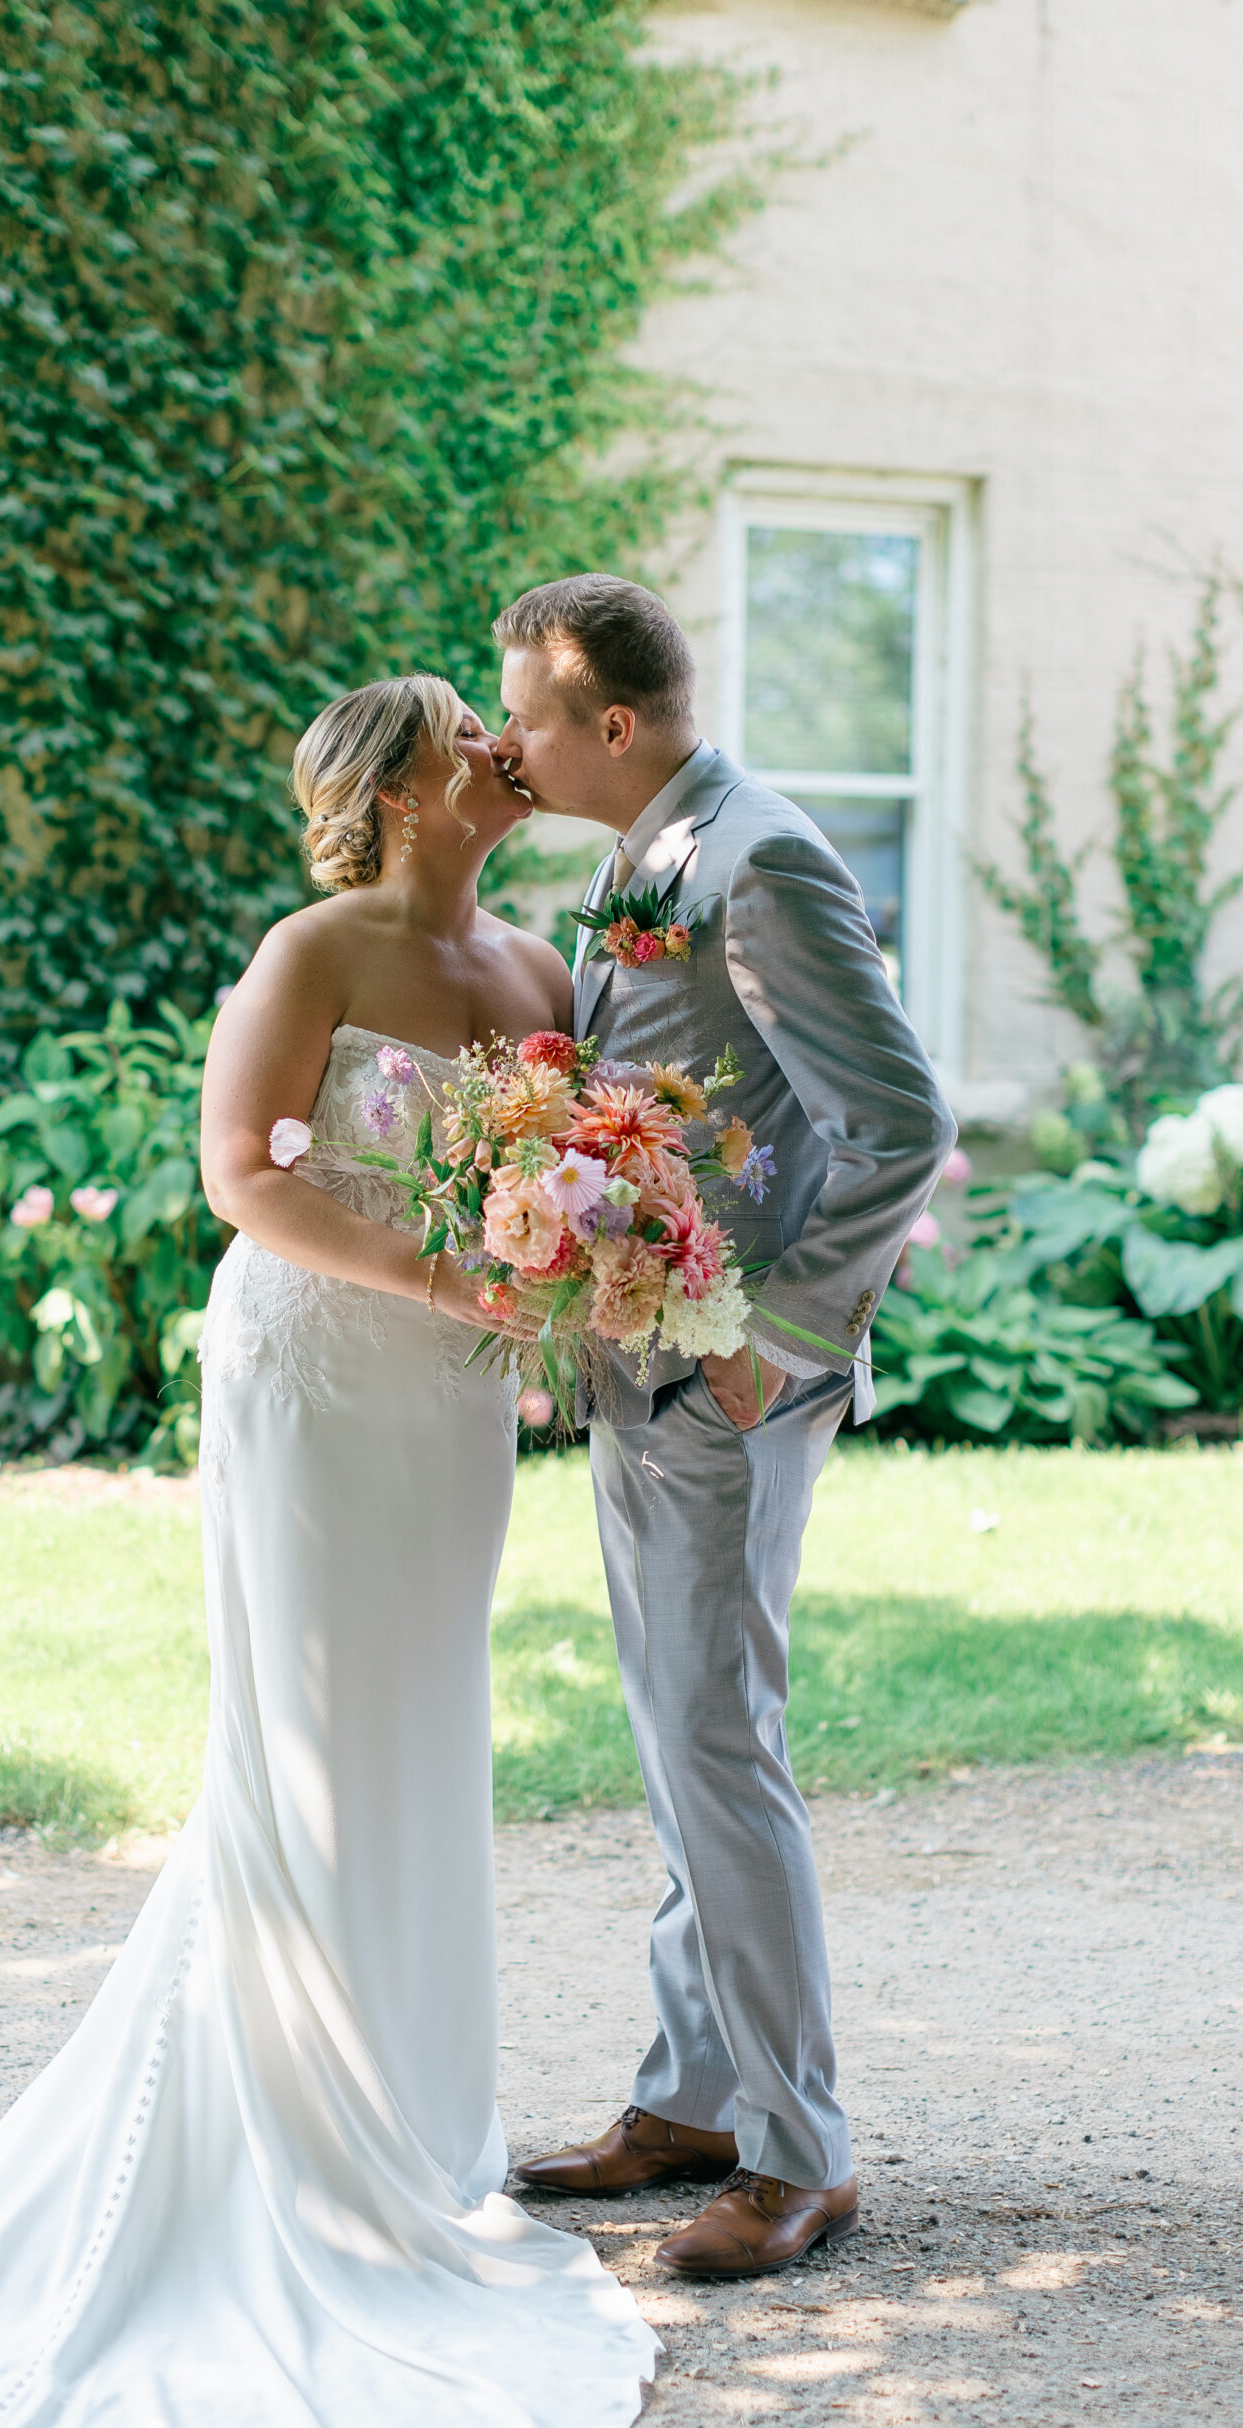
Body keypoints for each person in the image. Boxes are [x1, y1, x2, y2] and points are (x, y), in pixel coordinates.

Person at [0, 674, 656, 2428]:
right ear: (400, 784)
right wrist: (452, 1286)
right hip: (325, 1371)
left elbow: (564, 1167)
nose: (500, 747)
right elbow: (241, 1181)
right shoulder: (310, 948)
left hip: (451, 1404)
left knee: (424, 1727)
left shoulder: (540, 973)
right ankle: (277, 2139)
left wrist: (576, 1253)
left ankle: (411, 2139)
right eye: (463, 730)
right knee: (310, 1739)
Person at [495, 575, 956, 2278]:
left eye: (525, 718)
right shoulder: (644, 854)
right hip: (648, 1362)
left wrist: (774, 1335)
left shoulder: (754, 861)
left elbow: (899, 1119)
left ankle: (798, 2150)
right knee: (677, 1730)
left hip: (732, 1373)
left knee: (718, 1739)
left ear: (611, 723)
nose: (504, 743)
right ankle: (693, 2097)